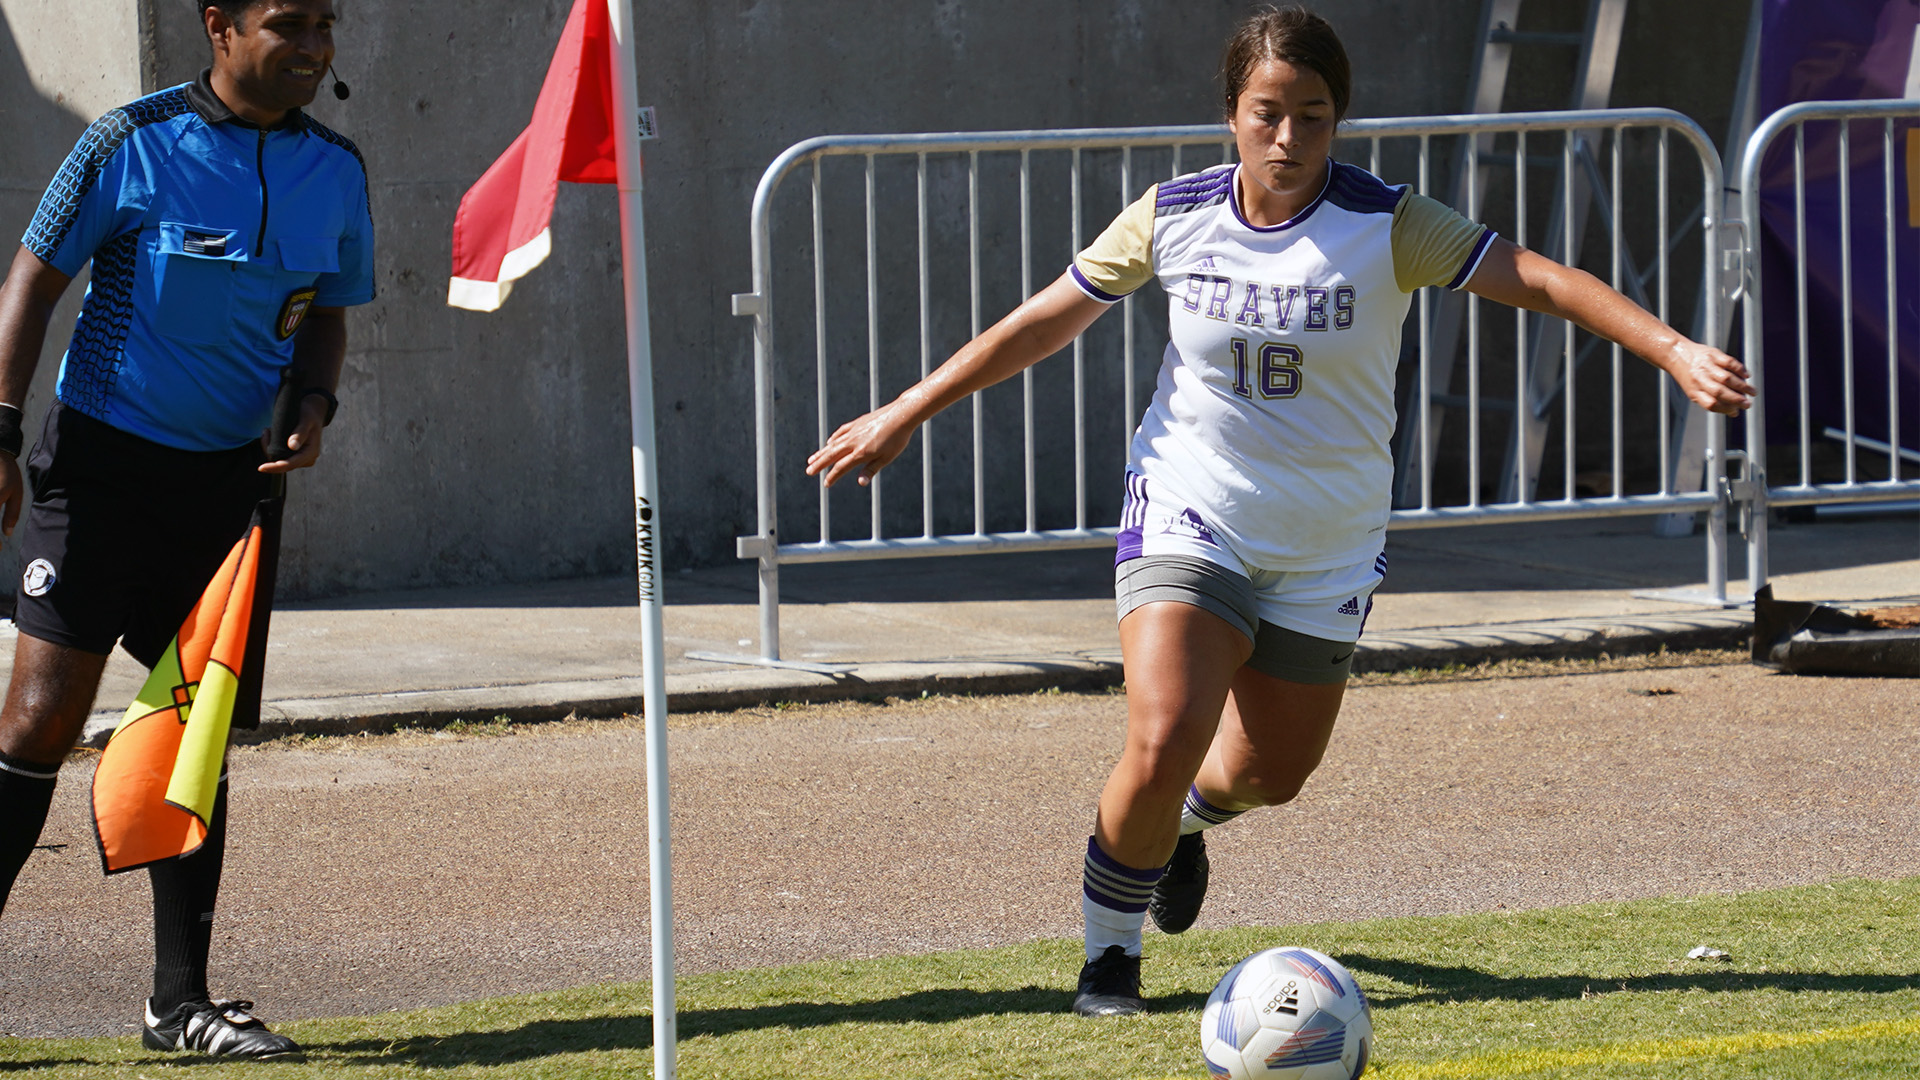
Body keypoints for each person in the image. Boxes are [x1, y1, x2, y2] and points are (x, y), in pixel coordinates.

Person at [807, 4, 1752, 1017]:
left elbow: (1548, 281)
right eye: (1268, 113)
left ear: (1338, 120)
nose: (1289, 139)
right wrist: (909, 408)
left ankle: (1183, 831)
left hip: (1329, 544)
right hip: (1190, 510)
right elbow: (1044, 321)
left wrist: (1674, 349)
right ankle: (1108, 960)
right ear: (1230, 114)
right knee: (1167, 733)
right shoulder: (1173, 215)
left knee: (1270, 773)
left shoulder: (1389, 224)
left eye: (1313, 115)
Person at [0, 0, 372, 1056]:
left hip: (228, 490)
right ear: (218, 23)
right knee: (37, 726)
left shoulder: (337, 169)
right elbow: (31, 278)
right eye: (288, 23)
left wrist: (315, 404)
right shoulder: (128, 141)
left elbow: (328, 308)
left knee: (192, 738)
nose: (313, 46)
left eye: (325, 25)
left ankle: (180, 1007)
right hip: (98, 469)